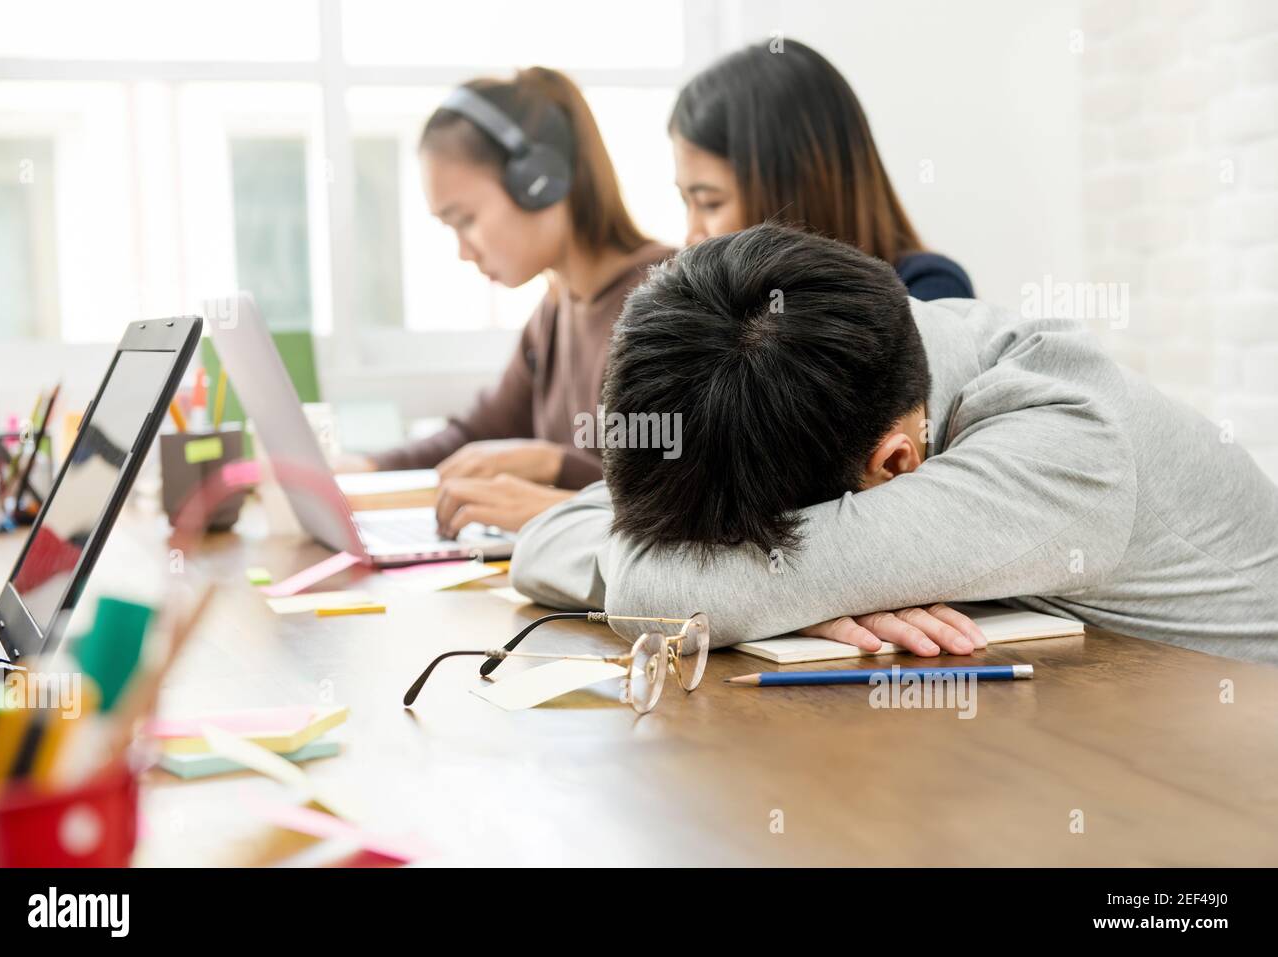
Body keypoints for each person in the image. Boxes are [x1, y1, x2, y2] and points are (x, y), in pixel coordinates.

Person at [510, 224, 1278, 663]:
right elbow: (542, 539)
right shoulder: (821, 381)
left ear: (895, 464)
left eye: (736, 541)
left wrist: (762, 585)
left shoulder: (1066, 441)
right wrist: (797, 581)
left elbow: (650, 591)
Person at [341, 67, 673, 536]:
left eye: (466, 219)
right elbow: (478, 436)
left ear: (540, 181)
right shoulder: (555, 311)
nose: (463, 250)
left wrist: (554, 464)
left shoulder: (669, 300)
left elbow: (675, 494)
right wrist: (366, 467)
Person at [670, 38, 973, 300]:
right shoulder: (719, 308)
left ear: (796, 188)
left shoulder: (930, 293)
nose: (691, 236)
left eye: (710, 203)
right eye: (686, 203)